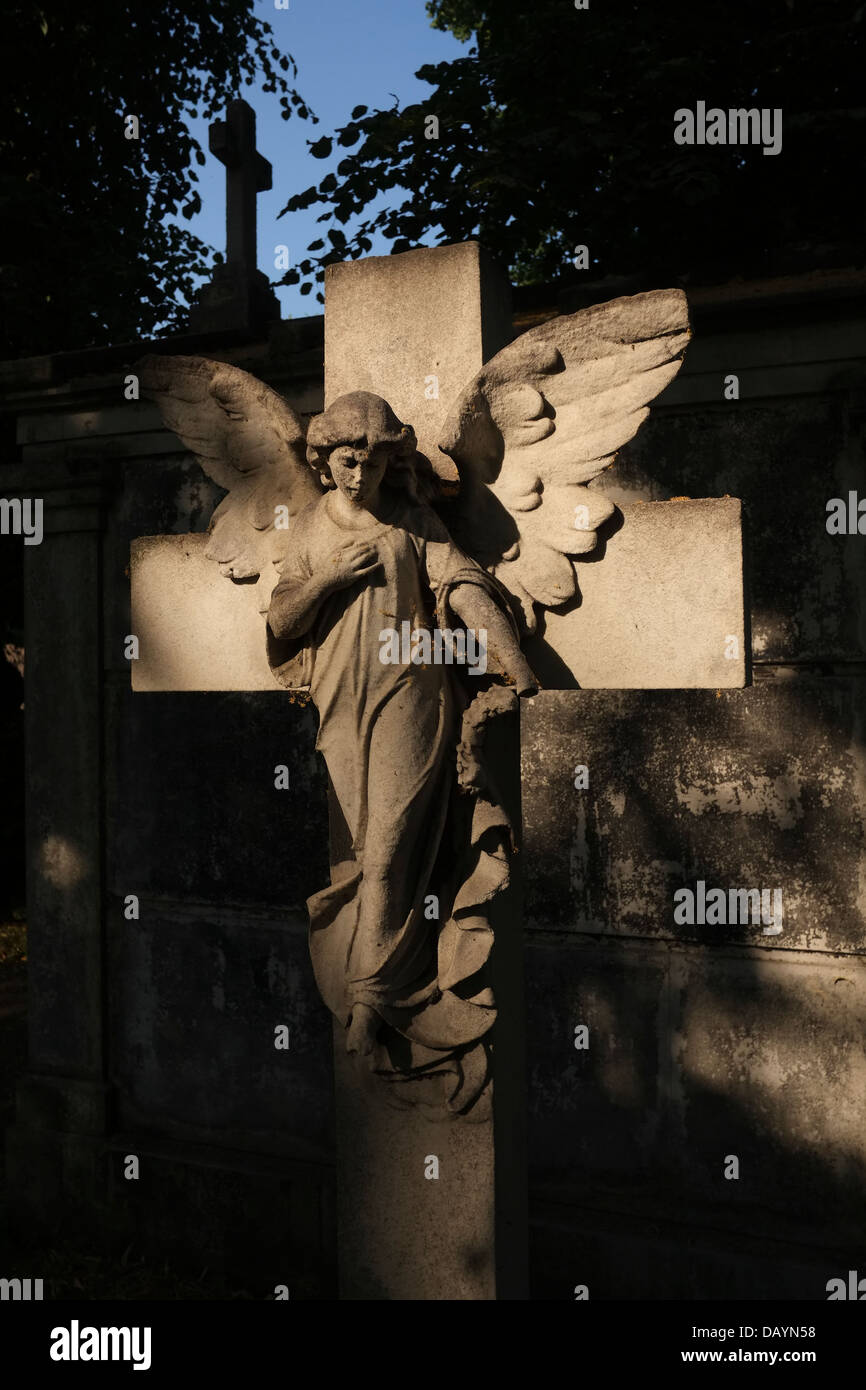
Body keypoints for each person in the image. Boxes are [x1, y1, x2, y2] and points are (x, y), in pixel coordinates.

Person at [267, 391, 536, 1065]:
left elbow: (464, 585)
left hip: (412, 698)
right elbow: (280, 623)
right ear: (324, 459)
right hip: (340, 706)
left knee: (388, 850)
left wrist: (512, 660)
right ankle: (389, 981)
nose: (361, 477)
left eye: (375, 463)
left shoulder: (413, 522)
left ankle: (368, 1001)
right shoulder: (307, 530)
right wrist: (327, 578)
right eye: (349, 462)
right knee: (365, 850)